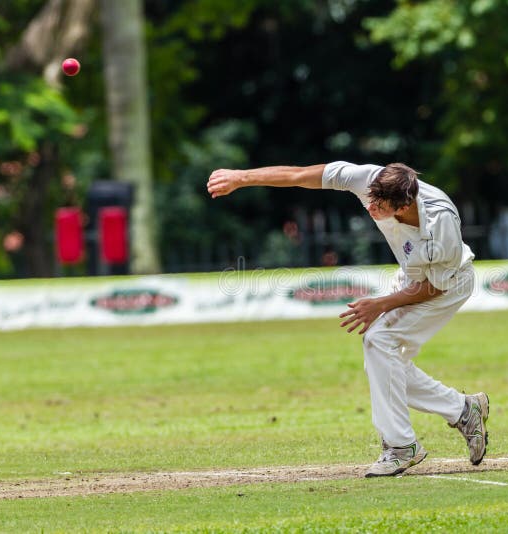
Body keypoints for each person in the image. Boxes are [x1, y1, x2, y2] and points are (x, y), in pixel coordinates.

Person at [207, 161, 489, 477]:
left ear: (405, 204)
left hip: (448, 284)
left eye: (380, 205)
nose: (370, 207)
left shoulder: (440, 224)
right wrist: (241, 178)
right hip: (413, 277)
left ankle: (401, 446)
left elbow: (436, 286)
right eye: (371, 198)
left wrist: (380, 304)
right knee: (386, 364)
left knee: (379, 340)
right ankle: (463, 409)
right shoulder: (371, 179)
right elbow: (300, 176)